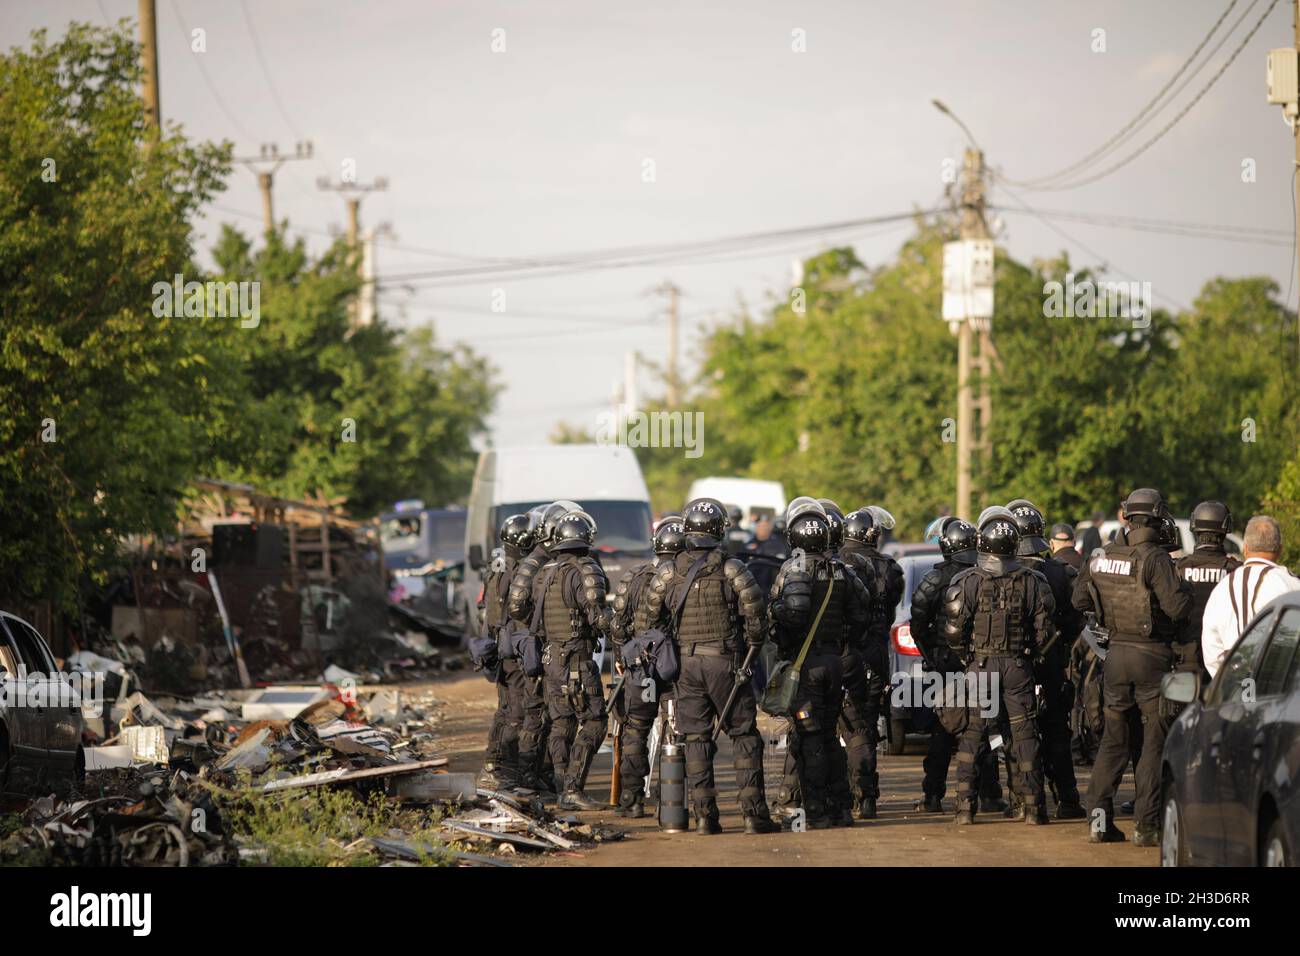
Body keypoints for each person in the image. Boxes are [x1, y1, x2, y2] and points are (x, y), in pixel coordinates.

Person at [634, 497, 779, 834]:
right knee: (744, 736)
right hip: (726, 664)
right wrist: (750, 653)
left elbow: (648, 624)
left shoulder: (667, 572)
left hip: (685, 667)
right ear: (718, 530)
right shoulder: (733, 569)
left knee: (696, 739)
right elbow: (757, 619)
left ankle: (705, 817)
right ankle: (753, 816)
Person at [1072, 487, 1190, 845]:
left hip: (1115, 659)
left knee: (1113, 742)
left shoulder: (1099, 555)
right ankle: (1146, 826)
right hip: (1152, 658)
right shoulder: (1156, 559)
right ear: (1156, 518)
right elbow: (1177, 609)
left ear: (1126, 517)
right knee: (1153, 743)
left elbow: (1079, 600)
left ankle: (1098, 821)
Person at [942, 507, 1056, 825]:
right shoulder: (1034, 581)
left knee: (974, 736)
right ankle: (1034, 808)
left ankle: (965, 809)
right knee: (1025, 734)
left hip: (981, 665)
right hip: (1017, 666)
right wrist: (1028, 657)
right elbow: (1046, 632)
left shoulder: (966, 581)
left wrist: (968, 658)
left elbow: (952, 630)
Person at [769, 499, 873, 827]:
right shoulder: (843, 570)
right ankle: (841, 807)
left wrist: (776, 615)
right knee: (830, 737)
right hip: (834, 662)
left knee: (810, 738)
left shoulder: (794, 569)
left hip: (807, 666)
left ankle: (815, 811)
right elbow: (862, 612)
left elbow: (793, 615)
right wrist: (844, 642)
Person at [507, 510, 611, 809]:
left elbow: (525, 612)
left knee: (561, 723)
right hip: (577, 659)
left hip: (550, 657)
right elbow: (597, 618)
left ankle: (562, 786)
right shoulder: (586, 569)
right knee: (594, 722)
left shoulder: (545, 572)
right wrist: (623, 624)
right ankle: (573, 789)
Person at [910, 516, 1003, 813]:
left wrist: (933, 656)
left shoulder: (934, 579)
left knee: (942, 730)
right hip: (979, 662)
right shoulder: (987, 576)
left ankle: (933, 797)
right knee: (985, 729)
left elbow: (918, 626)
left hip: (947, 665)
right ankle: (989, 795)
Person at [1008, 501, 1086, 819]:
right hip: (1052, 665)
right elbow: (1077, 619)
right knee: (1056, 732)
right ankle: (1067, 801)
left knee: (1018, 734)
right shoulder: (1061, 572)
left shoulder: (999, 576)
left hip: (1014, 668)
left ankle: (1024, 802)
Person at [607, 515, 685, 817]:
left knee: (635, 731)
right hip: (677, 668)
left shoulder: (635, 576)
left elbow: (618, 625)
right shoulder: (687, 576)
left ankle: (631, 799)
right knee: (678, 733)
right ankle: (671, 803)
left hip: (640, 669)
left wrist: (621, 659)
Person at [838, 504, 904, 817]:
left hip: (842, 653)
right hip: (874, 654)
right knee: (864, 724)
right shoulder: (891, 569)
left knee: (840, 726)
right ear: (874, 536)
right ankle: (864, 795)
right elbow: (891, 605)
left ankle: (845, 795)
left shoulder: (836, 564)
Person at [476, 514, 535, 789]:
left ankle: (495, 763)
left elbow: (487, 614)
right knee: (516, 711)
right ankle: (506, 770)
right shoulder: (516, 571)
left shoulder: (497, 567)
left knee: (506, 708)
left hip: (501, 647)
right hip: (512, 650)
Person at [1201, 515, 1300, 678]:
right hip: (1278, 689)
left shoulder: (1222, 588)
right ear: (1280, 550)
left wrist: (1227, 684)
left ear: (1245, 548)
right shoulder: (1291, 584)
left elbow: (1212, 651)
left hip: (1232, 690)